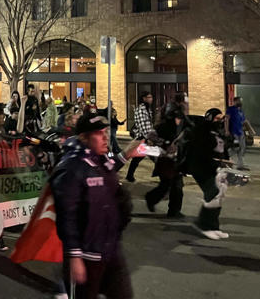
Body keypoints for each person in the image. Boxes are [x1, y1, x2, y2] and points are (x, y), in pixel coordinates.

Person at [51, 114, 140, 299]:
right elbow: (67, 217)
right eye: (99, 133)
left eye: (105, 132)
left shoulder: (98, 159)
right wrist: (74, 257)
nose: (105, 137)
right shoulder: (70, 167)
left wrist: (127, 154)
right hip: (87, 255)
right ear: (84, 137)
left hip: (111, 250)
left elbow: (109, 168)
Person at [180, 108, 231, 240]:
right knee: (212, 192)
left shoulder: (216, 131)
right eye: (217, 118)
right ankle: (203, 225)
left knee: (220, 193)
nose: (220, 121)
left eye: (221, 118)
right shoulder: (202, 130)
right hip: (201, 167)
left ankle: (214, 226)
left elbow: (223, 148)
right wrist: (215, 163)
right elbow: (200, 152)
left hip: (215, 167)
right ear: (210, 118)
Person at [144, 107, 189, 219]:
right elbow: (149, 142)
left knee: (177, 186)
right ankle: (151, 198)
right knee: (166, 185)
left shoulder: (180, 129)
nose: (179, 121)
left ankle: (174, 211)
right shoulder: (160, 128)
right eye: (177, 118)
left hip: (176, 161)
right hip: (165, 161)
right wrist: (163, 147)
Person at [125, 92, 155, 182]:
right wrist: (148, 138)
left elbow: (149, 125)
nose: (151, 99)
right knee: (155, 157)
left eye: (151, 97)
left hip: (146, 138)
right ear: (144, 98)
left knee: (138, 158)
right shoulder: (141, 110)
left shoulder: (147, 109)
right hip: (143, 138)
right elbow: (142, 126)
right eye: (149, 97)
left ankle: (129, 175)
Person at [224, 97, 255, 171]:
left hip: (240, 132)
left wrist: (250, 129)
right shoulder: (230, 109)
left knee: (242, 149)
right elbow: (226, 119)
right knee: (235, 148)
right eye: (239, 101)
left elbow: (244, 121)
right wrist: (227, 130)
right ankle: (224, 159)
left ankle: (240, 165)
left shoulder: (240, 111)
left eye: (241, 101)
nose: (240, 103)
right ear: (234, 101)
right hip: (234, 132)